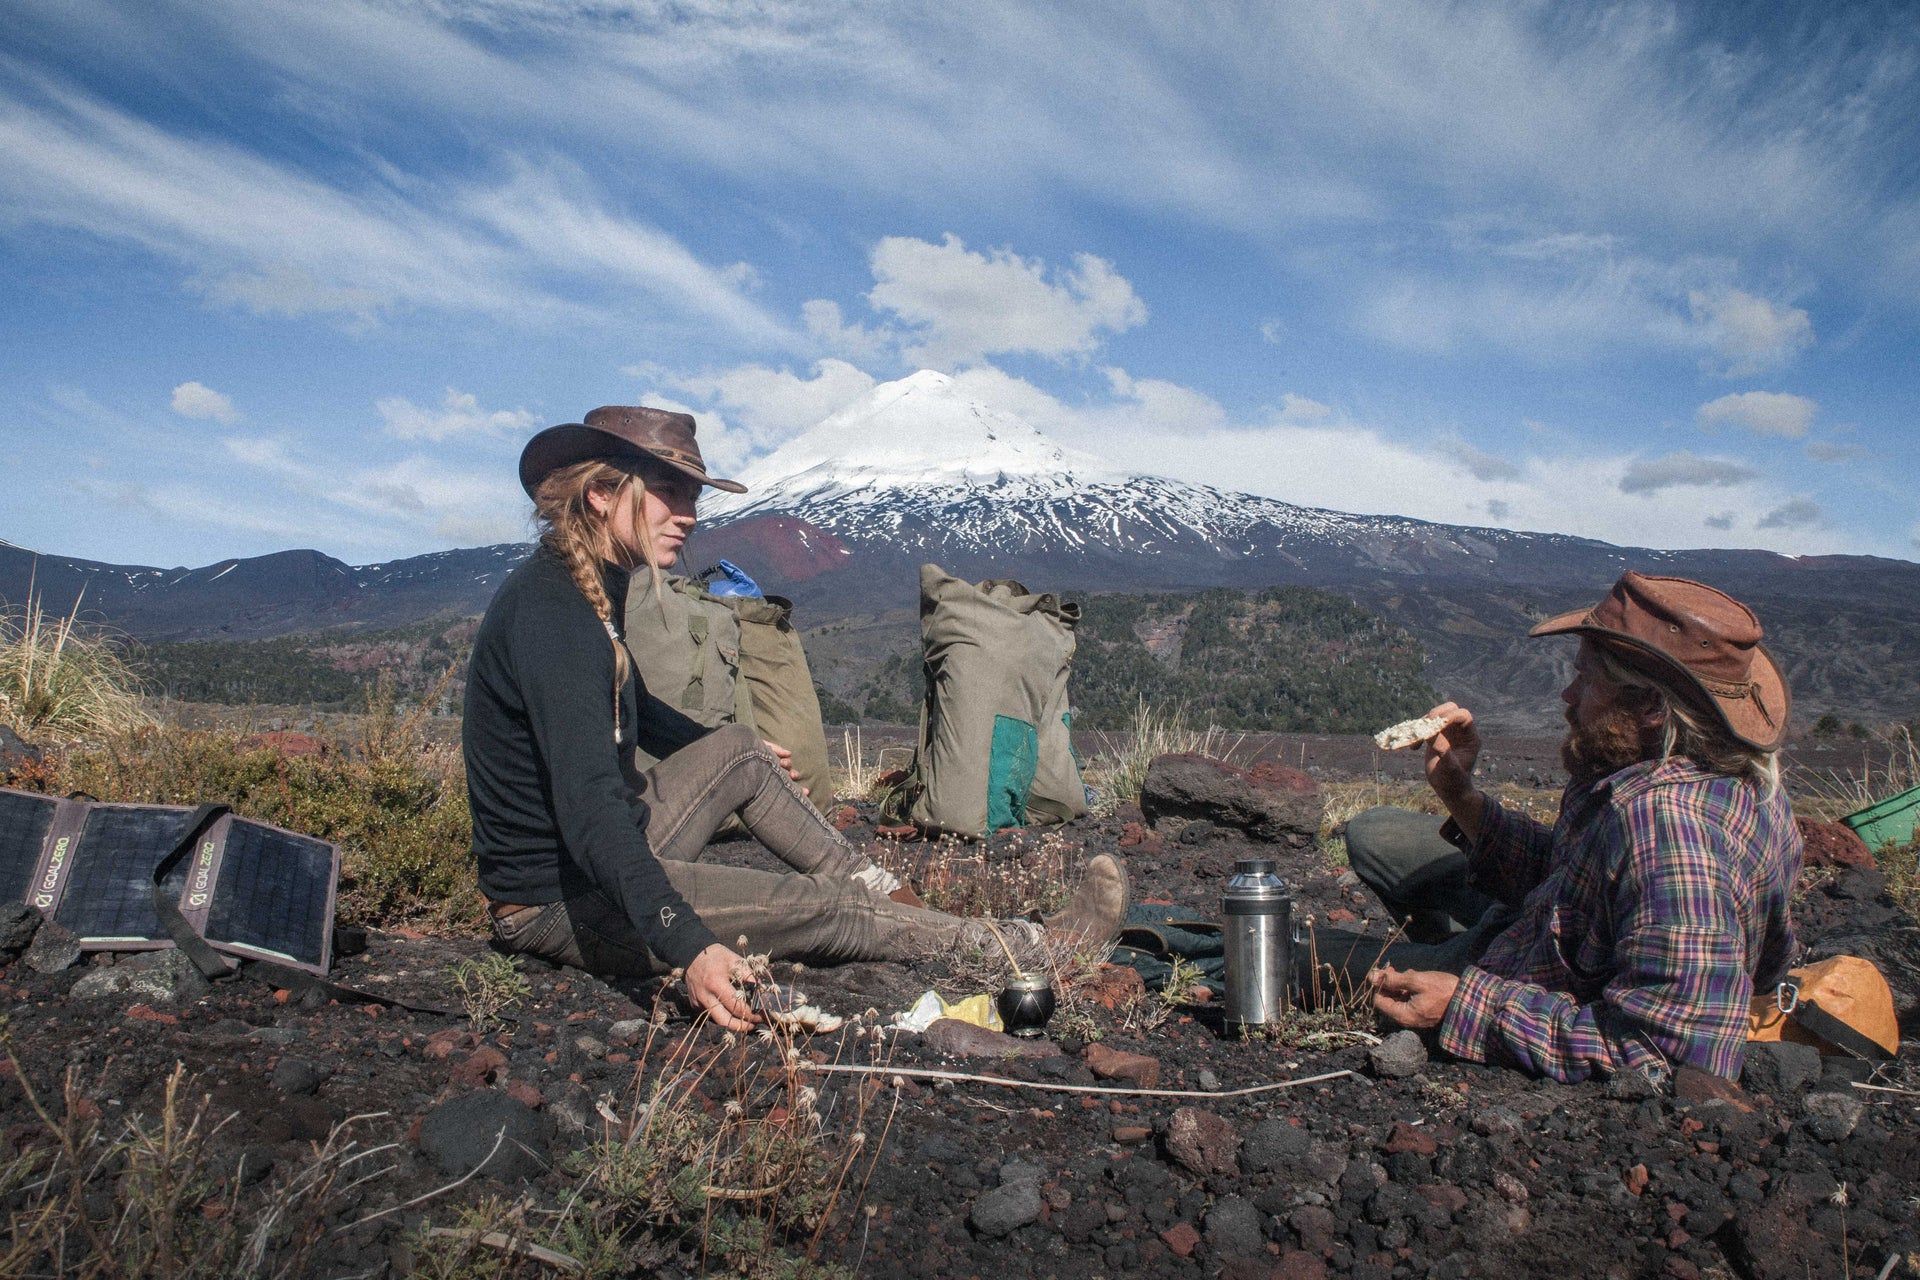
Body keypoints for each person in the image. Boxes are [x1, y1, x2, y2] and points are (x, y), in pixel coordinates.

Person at [463, 405, 1128, 1031]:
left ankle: (886, 897)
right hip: (561, 900)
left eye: (694, 495)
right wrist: (690, 945)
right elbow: (590, 812)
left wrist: (719, 752)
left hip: (592, 861)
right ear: (603, 496)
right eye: (670, 491)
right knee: (823, 911)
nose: (689, 516)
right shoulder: (555, 618)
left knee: (744, 749)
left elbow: (626, 703)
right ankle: (1029, 949)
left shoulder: (589, 586)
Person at [1314, 572, 1802, 1083]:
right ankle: (1437, 957)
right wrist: (1460, 794)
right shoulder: (1647, 767)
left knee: (1296, 959)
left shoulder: (1672, 832)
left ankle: (1429, 974)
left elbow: (1675, 1055)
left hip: (1541, 995)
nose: (1568, 695)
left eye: (1588, 680)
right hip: (1554, 934)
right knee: (1376, 832)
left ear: (1652, 708)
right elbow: (1576, 875)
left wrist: (1463, 1005)